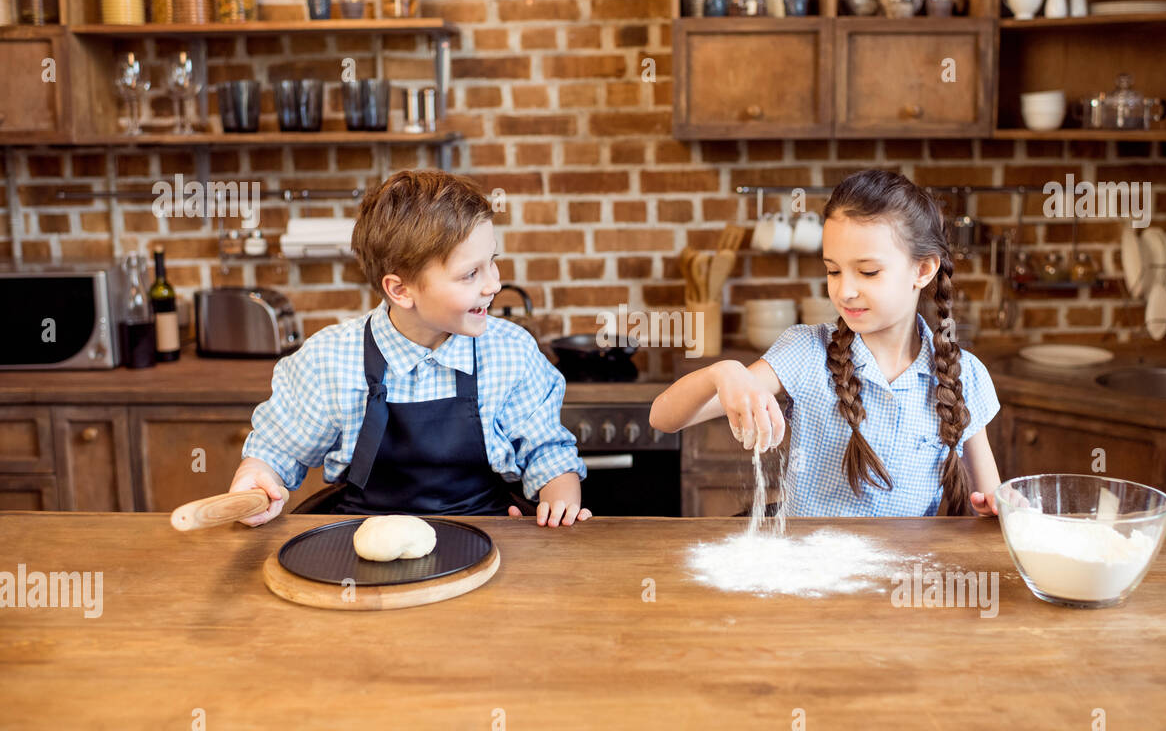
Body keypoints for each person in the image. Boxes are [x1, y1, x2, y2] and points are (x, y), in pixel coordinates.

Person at [229, 169, 591, 527]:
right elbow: (275, 454)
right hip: (357, 550)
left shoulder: (510, 352)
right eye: (470, 274)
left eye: (492, 262)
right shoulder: (330, 360)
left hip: (488, 541)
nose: (494, 285)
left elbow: (547, 454)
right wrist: (255, 478)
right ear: (400, 290)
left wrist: (559, 500)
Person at [650, 169, 1002, 517]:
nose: (844, 291)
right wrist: (721, 373)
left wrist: (1002, 509)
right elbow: (663, 417)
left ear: (923, 270)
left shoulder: (964, 375)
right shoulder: (805, 353)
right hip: (808, 571)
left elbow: (992, 505)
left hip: (902, 574)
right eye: (833, 270)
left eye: (868, 272)